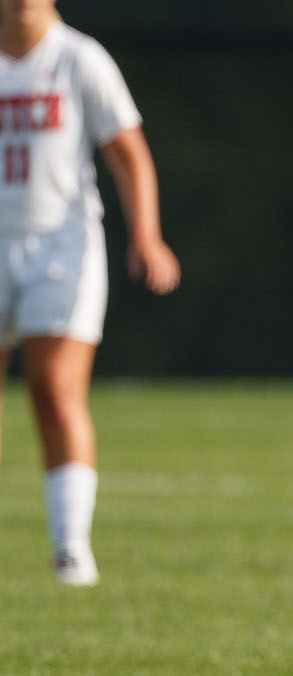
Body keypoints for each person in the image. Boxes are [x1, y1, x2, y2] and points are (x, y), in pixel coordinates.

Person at [0, 0, 181, 587]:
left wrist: (147, 237)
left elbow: (129, 153)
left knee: (54, 393)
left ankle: (69, 548)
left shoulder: (79, 59)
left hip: (60, 247)